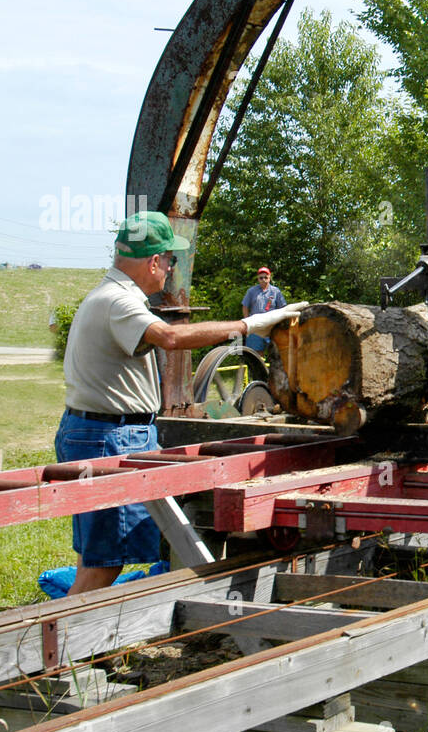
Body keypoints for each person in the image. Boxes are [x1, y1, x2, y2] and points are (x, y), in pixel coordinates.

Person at [57, 212, 306, 596]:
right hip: (110, 436)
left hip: (108, 431)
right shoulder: (118, 302)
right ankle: (65, 648)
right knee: (104, 565)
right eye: (170, 261)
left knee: (98, 556)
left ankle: (85, 641)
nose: (170, 269)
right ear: (153, 261)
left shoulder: (107, 296)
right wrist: (249, 325)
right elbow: (170, 338)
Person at [240, 266, 287, 353]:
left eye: (266, 277)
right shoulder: (251, 291)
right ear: (258, 279)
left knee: (277, 353)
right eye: (261, 278)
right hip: (255, 326)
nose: (263, 280)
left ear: (270, 278)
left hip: (272, 326)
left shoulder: (276, 291)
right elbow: (245, 306)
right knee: (255, 354)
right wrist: (247, 322)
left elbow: (283, 308)